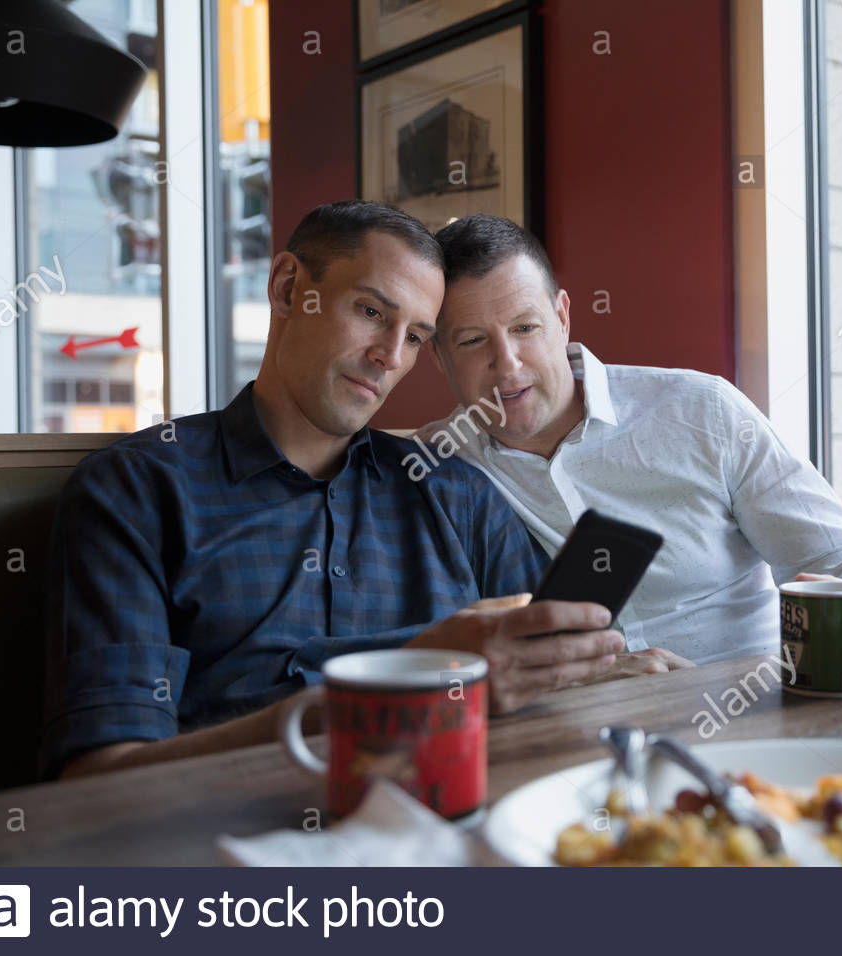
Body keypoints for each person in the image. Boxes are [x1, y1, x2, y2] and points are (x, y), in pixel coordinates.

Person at [42, 201, 622, 781]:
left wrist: (610, 671)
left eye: (416, 337)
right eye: (371, 311)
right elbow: (101, 774)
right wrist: (409, 679)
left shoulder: (459, 496)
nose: (391, 357)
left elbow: (550, 690)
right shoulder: (138, 492)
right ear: (289, 288)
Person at [420, 215, 842, 692]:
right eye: (472, 342)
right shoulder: (431, 469)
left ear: (562, 318)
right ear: (439, 355)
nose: (508, 365)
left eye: (525, 328)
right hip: (580, 744)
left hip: (756, 717)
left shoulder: (703, 411)